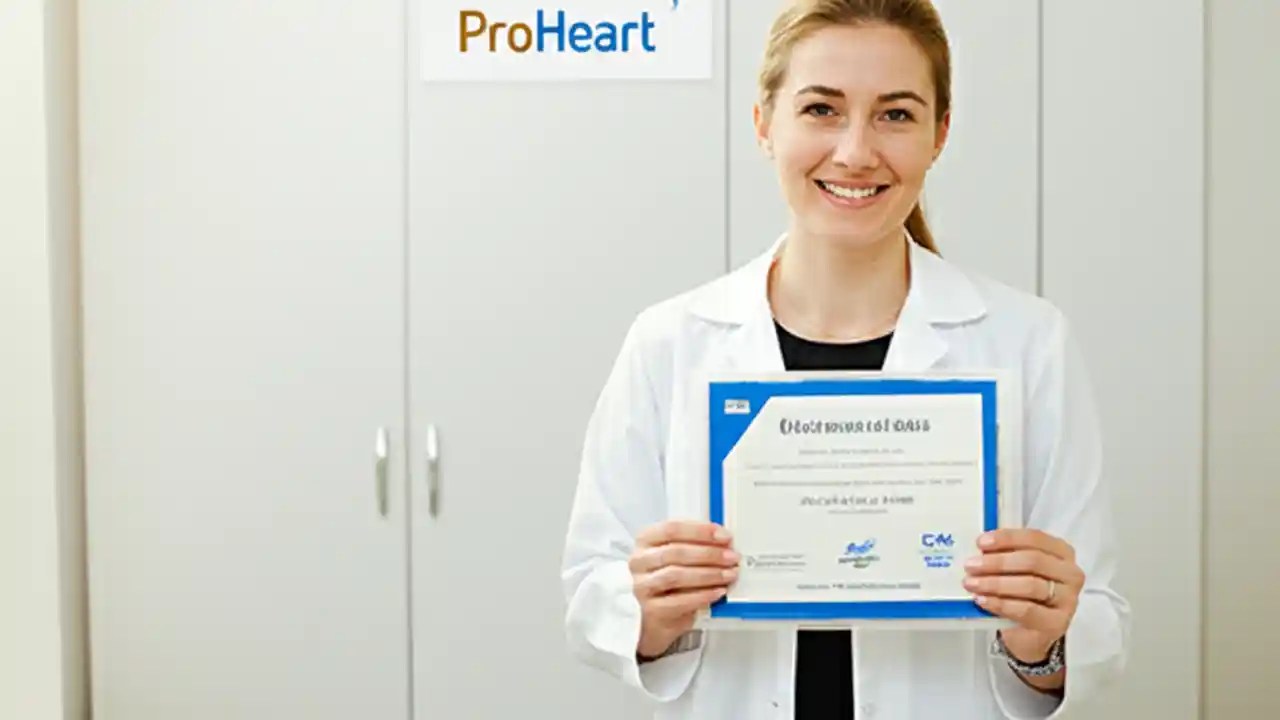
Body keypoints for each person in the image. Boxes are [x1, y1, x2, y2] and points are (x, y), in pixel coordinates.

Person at [560, 0, 1131, 717]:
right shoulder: (671, 342)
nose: (856, 151)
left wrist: (1041, 636)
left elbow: (1098, 618)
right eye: (822, 109)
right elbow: (590, 594)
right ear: (765, 122)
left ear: (939, 134)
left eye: (895, 114)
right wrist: (648, 610)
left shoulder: (1028, 341)